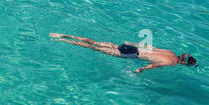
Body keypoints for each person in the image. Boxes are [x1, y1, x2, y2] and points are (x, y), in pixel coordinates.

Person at [49, 33, 197, 73]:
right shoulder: (171, 62)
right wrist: (140, 70)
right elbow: (154, 65)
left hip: (133, 49)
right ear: (184, 64)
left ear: (184, 57)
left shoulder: (170, 52)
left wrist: (132, 43)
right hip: (131, 55)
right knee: (93, 48)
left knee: (95, 42)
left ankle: (63, 35)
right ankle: (64, 41)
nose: (185, 54)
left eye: (186, 55)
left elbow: (149, 46)